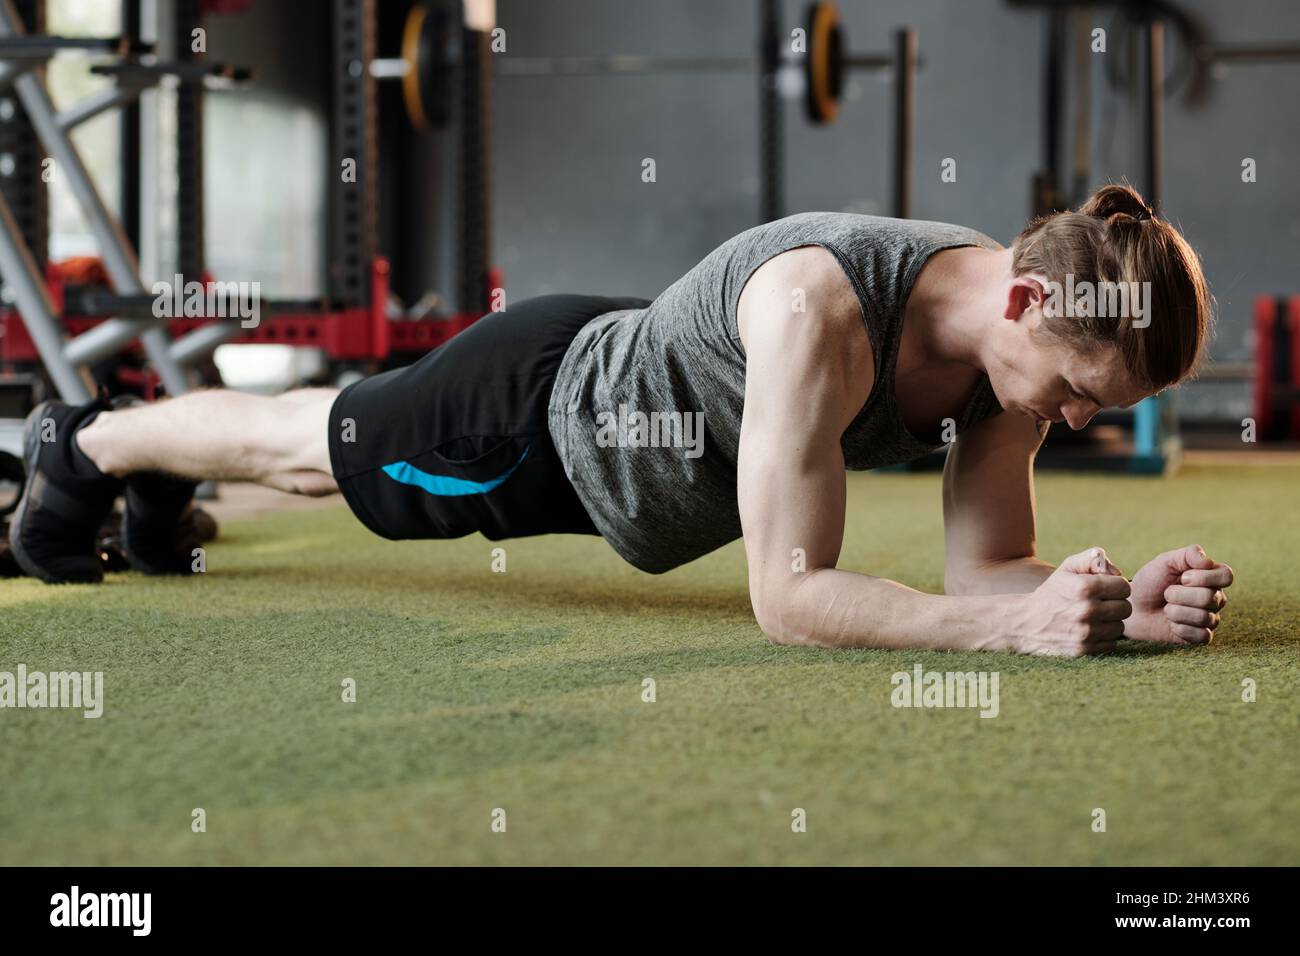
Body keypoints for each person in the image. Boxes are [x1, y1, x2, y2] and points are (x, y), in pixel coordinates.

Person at [10, 183, 1233, 656]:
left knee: (320, 435)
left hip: (632, 346)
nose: (1068, 419)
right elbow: (791, 595)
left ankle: (150, 465)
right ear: (1028, 296)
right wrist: (1006, 635)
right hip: (538, 420)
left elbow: (984, 567)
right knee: (317, 453)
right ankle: (84, 446)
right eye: (1076, 390)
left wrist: (1117, 606)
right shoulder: (824, 312)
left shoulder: (1002, 347)